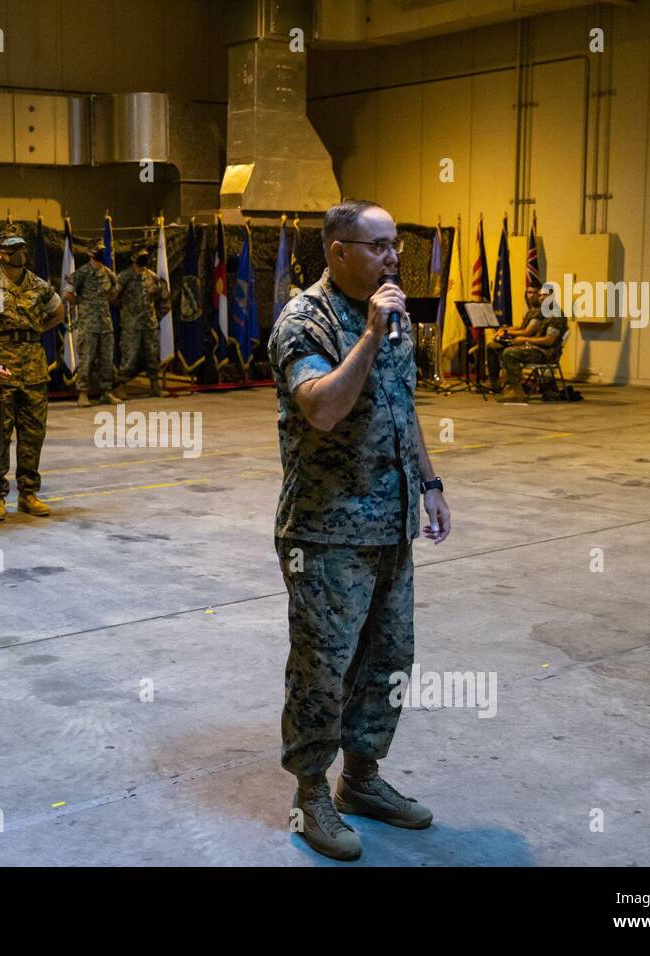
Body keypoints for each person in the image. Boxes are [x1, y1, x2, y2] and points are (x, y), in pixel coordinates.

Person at [267, 199, 451, 861]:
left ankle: (362, 779)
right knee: (323, 670)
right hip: (325, 531)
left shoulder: (391, 309)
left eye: (395, 244)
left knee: (388, 660)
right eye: (378, 246)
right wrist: (369, 337)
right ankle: (311, 792)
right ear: (337, 250)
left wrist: (429, 483)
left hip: (389, 523)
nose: (393, 257)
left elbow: (403, 403)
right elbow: (321, 409)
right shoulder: (304, 319)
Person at [0, 232, 64, 520]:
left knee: (33, 433)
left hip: (34, 365)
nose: (20, 253)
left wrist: (36, 329)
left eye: (22, 248)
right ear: (0, 253)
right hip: (2, 364)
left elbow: (58, 312)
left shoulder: (38, 284)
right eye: (14, 249)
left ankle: (28, 493)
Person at [62, 240, 118, 407]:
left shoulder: (108, 273)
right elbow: (66, 295)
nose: (100, 253)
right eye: (98, 250)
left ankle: (106, 392)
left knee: (106, 360)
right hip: (88, 324)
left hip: (105, 324)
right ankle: (83, 394)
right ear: (89, 252)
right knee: (86, 359)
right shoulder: (82, 273)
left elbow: (114, 294)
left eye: (102, 250)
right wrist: (82, 301)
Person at [113, 246, 169, 399]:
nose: (144, 258)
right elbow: (112, 296)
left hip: (149, 323)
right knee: (129, 357)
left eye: (146, 255)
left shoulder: (152, 276)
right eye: (141, 255)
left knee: (152, 355)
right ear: (133, 258)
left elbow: (160, 296)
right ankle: (120, 386)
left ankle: (155, 386)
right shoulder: (125, 276)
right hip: (131, 325)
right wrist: (126, 308)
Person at [496, 295, 568, 403]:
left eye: (545, 296)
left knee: (509, 353)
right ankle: (511, 387)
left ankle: (518, 392)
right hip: (538, 350)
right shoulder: (545, 314)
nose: (541, 298)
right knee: (505, 348)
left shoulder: (556, 317)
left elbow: (549, 341)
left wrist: (525, 340)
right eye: (541, 296)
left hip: (546, 353)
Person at [486, 287, 544, 392]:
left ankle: (505, 383)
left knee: (495, 348)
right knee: (493, 346)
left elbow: (528, 332)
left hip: (529, 344)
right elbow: (522, 327)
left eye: (534, 293)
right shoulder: (531, 311)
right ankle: (498, 382)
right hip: (522, 341)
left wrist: (507, 332)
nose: (530, 296)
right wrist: (504, 329)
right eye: (528, 293)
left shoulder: (540, 312)